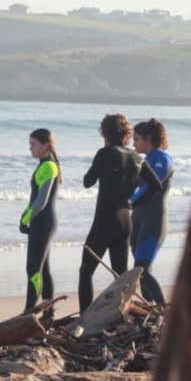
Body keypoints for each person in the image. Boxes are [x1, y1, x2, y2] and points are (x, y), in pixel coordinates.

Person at [78, 114, 162, 313]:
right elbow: (156, 185)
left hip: (105, 219)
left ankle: (84, 318)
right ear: (126, 133)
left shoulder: (104, 153)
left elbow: (87, 181)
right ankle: (119, 317)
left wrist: (99, 168)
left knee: (86, 272)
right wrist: (134, 202)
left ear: (105, 133)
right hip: (126, 220)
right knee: (120, 276)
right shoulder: (136, 157)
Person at [131, 118, 174, 305]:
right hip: (138, 221)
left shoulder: (162, 159)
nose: (134, 143)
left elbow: (150, 188)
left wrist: (130, 203)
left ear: (148, 138)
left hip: (153, 222)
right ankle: (149, 313)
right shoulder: (145, 160)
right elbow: (135, 188)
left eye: (137, 139)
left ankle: (164, 313)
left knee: (142, 270)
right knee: (140, 272)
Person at [20, 129, 61, 313]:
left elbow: (41, 201)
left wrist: (26, 218)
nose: (30, 148)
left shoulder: (49, 166)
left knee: (33, 269)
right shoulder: (44, 165)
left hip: (43, 222)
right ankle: (48, 312)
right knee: (42, 269)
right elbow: (35, 199)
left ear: (45, 145)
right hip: (39, 222)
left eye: (33, 144)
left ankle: (29, 312)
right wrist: (25, 216)